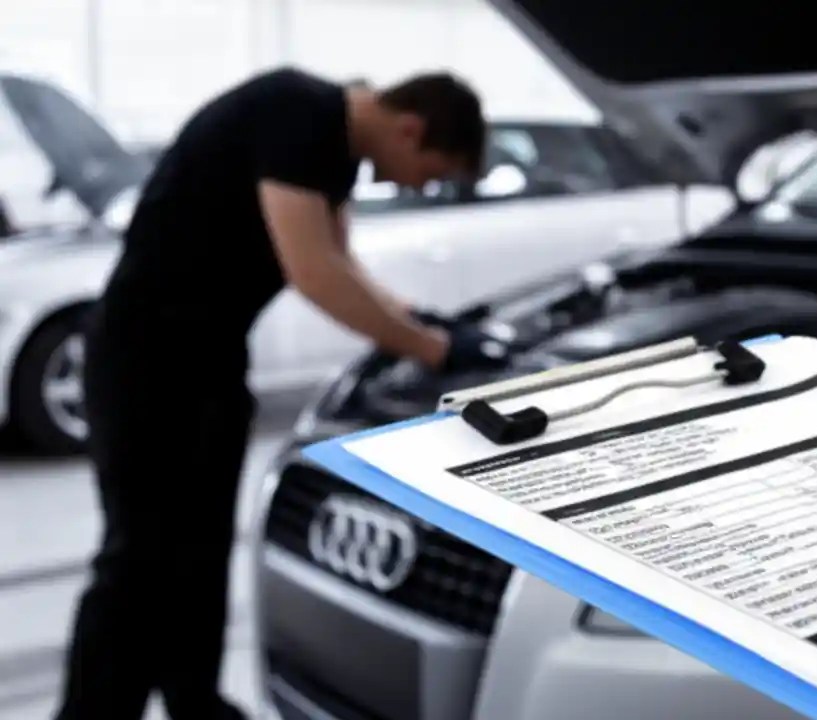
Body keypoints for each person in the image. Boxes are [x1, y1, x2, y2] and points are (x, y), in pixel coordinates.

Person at [55, 67, 493, 719]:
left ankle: (193, 700)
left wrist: (424, 321)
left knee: (200, 551)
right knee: (139, 559)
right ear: (412, 128)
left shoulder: (335, 148)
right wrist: (429, 349)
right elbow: (312, 273)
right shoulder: (296, 111)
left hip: (208, 365)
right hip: (143, 363)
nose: (417, 186)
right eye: (428, 171)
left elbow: (343, 265)